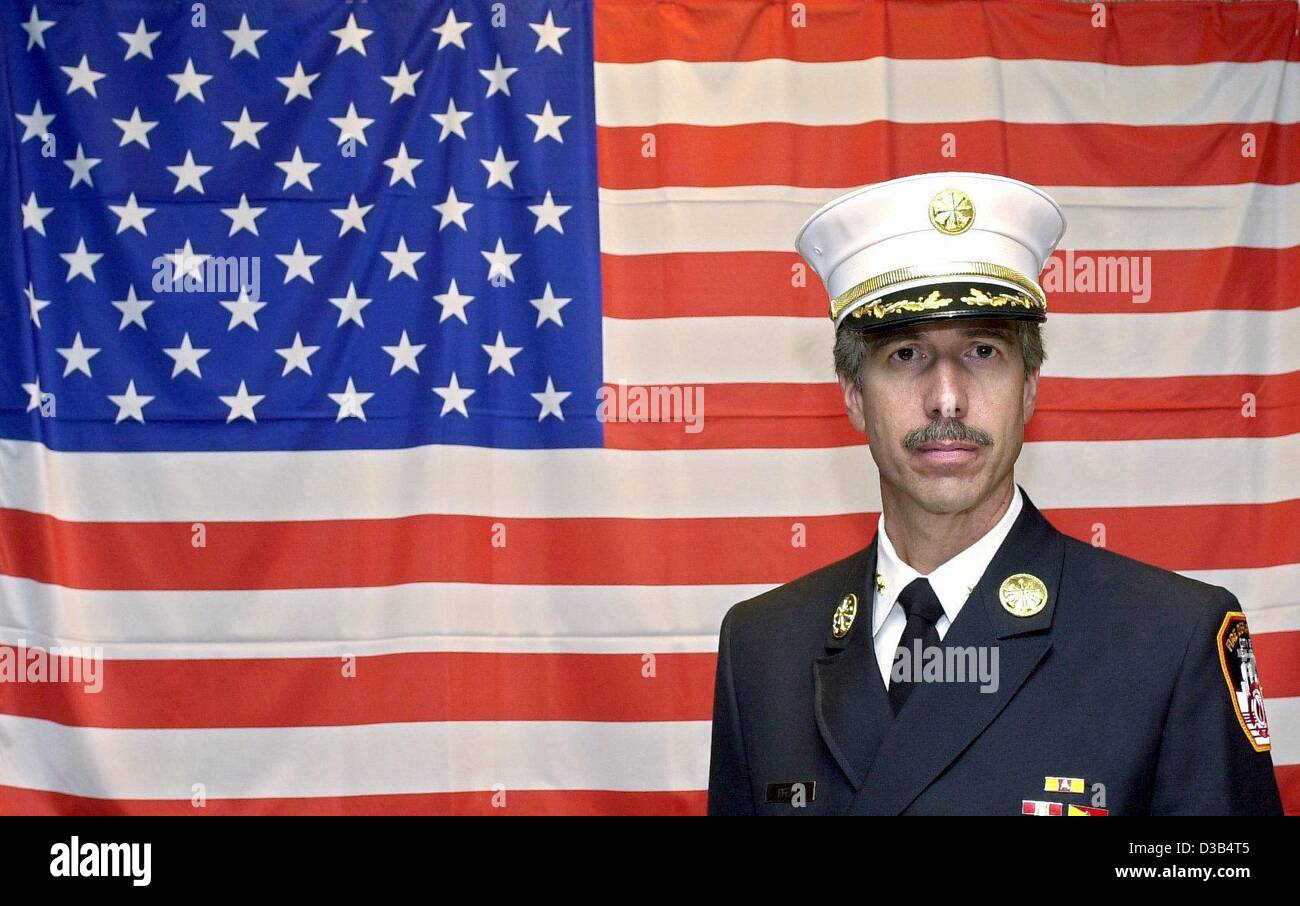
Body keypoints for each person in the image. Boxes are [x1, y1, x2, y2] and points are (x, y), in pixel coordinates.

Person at [706, 172, 1284, 815]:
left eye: (983, 351)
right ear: (852, 396)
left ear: (1031, 386)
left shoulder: (1168, 642)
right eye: (904, 355)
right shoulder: (762, 649)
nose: (946, 398)